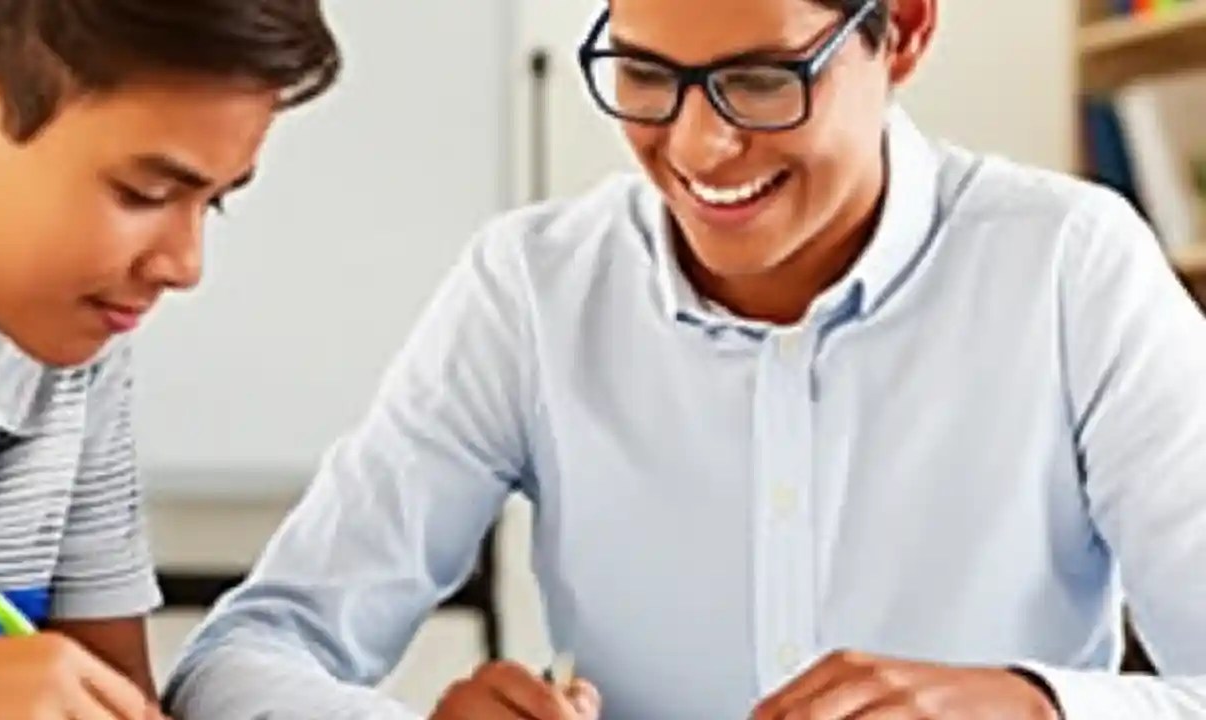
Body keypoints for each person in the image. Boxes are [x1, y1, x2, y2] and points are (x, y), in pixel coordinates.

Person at [164, 0, 1206, 717]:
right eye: (645, 75)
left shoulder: (1068, 267)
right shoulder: (532, 287)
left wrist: (1028, 703)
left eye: (760, 81)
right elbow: (242, 665)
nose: (701, 147)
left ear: (901, 31)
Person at [0, 0, 338, 718]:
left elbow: (117, 699)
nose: (185, 265)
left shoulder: (67, 356)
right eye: (142, 193)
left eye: (213, 204)